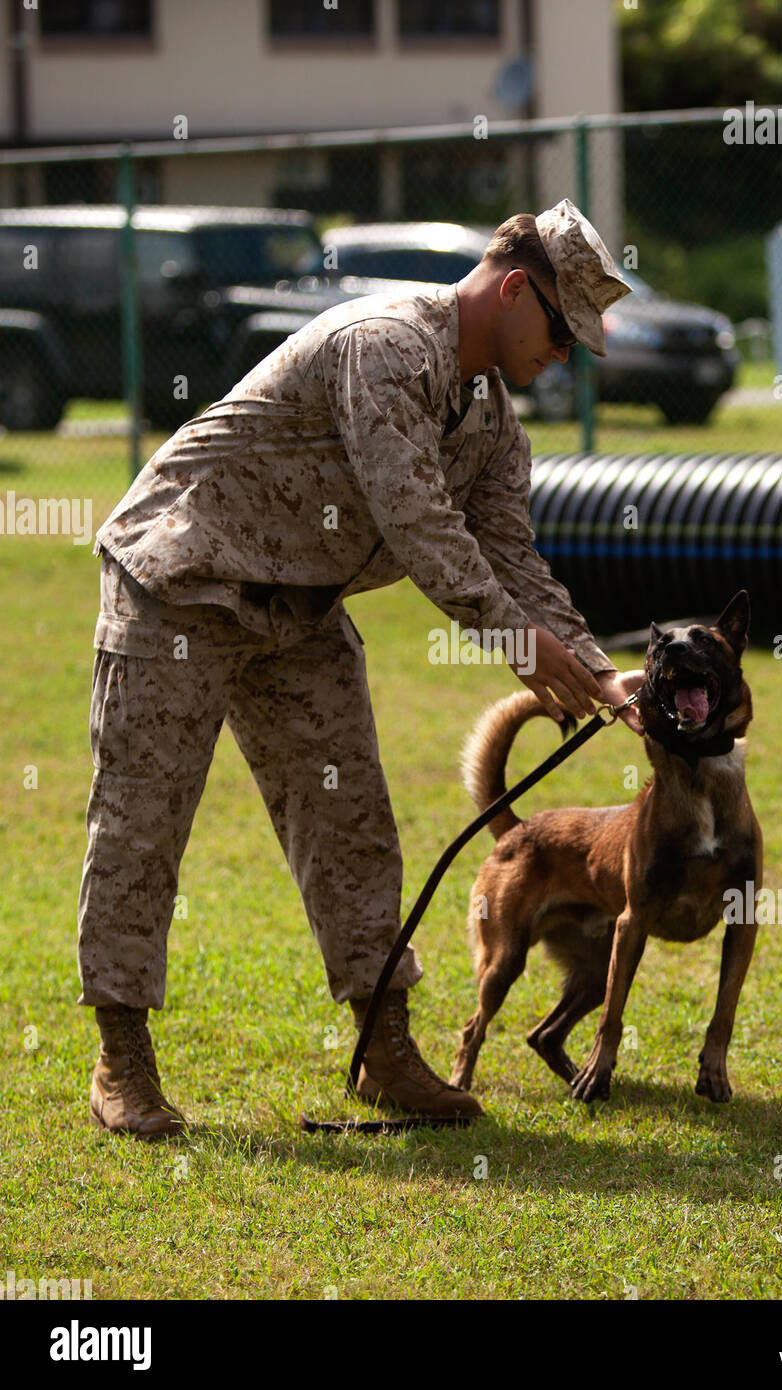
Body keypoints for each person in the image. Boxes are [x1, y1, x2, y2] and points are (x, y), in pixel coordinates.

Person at [78, 197, 645, 1138]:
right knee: (143, 822)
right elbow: (416, 521)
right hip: (181, 578)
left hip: (298, 607)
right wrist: (518, 645)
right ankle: (122, 1064)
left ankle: (386, 1052)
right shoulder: (383, 347)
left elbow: (511, 557)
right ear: (513, 290)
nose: (564, 356)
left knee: (353, 824)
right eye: (560, 330)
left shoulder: (496, 425)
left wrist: (593, 668)